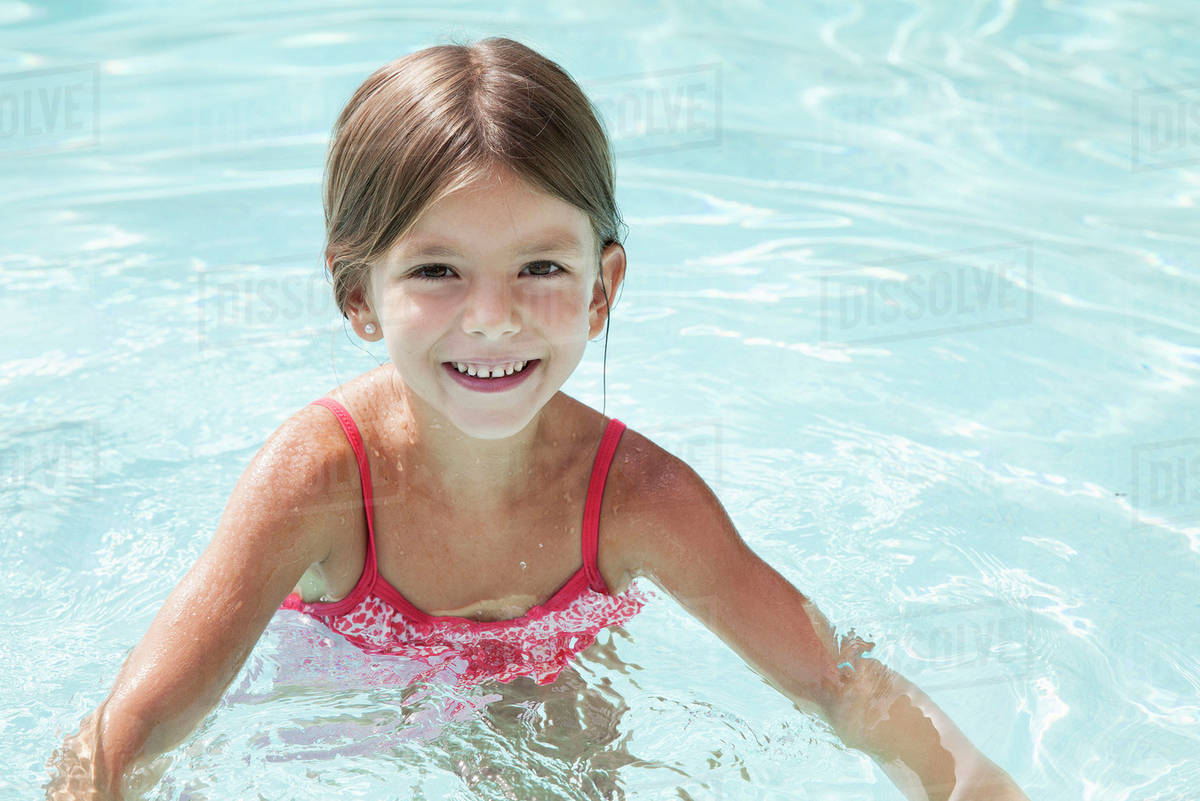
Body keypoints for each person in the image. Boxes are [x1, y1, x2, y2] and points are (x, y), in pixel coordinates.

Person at [47, 36, 1030, 801]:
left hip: (547, 697)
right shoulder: (317, 479)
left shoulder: (640, 501)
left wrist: (975, 782)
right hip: (338, 717)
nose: (492, 314)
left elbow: (837, 686)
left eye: (541, 268)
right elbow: (136, 727)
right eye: (436, 270)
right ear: (357, 295)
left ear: (603, 290)